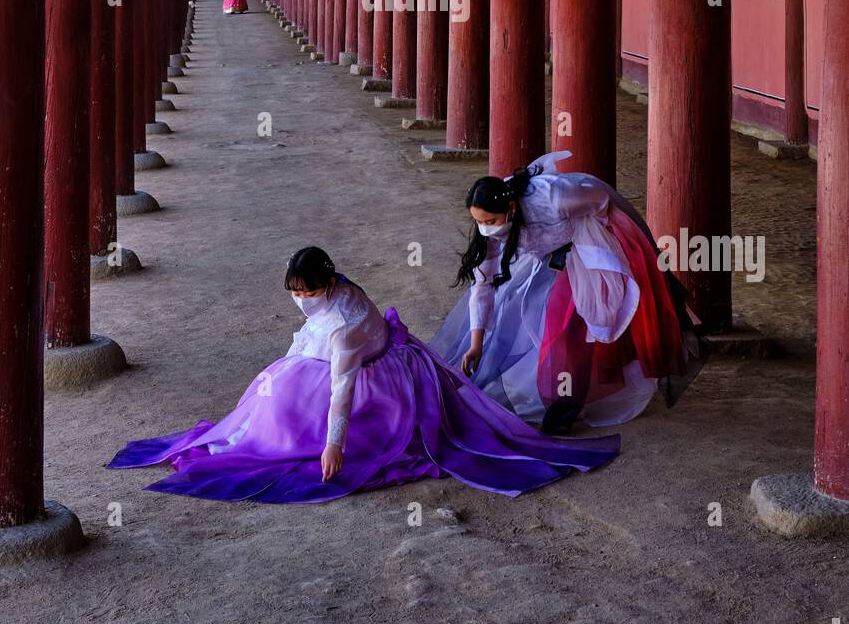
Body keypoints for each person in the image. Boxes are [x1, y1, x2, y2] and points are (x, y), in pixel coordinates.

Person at [108, 246, 618, 504]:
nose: (300, 299)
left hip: (377, 382)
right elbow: (306, 334)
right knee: (270, 391)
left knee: (284, 415)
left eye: (307, 291)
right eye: (294, 291)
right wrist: (286, 359)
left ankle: (262, 439)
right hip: (337, 358)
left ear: (327, 284)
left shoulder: (344, 326)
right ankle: (247, 431)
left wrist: (334, 445)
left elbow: (341, 389)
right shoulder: (332, 292)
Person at [430, 151, 697, 432]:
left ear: (511, 207)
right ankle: (567, 399)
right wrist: (476, 343)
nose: (486, 230)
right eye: (479, 223)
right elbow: (482, 286)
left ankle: (565, 409)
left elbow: (602, 201)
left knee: (575, 327)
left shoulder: (555, 198)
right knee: (550, 320)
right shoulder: (494, 227)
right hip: (559, 256)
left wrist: (589, 249)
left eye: (490, 222)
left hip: (593, 247)